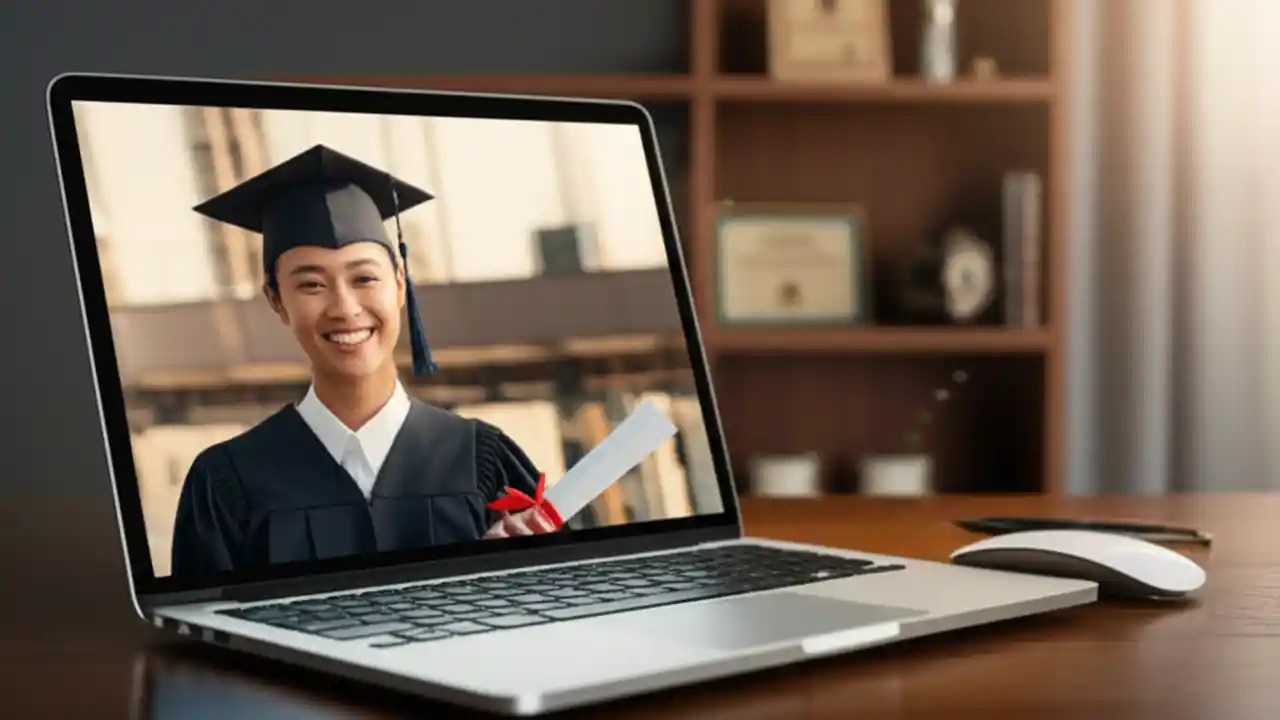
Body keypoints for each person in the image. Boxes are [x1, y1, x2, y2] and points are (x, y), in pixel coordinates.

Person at [170, 144, 556, 577]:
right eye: (312, 285)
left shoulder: (483, 462)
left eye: (364, 278)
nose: (345, 307)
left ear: (398, 283)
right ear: (276, 302)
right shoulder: (226, 484)